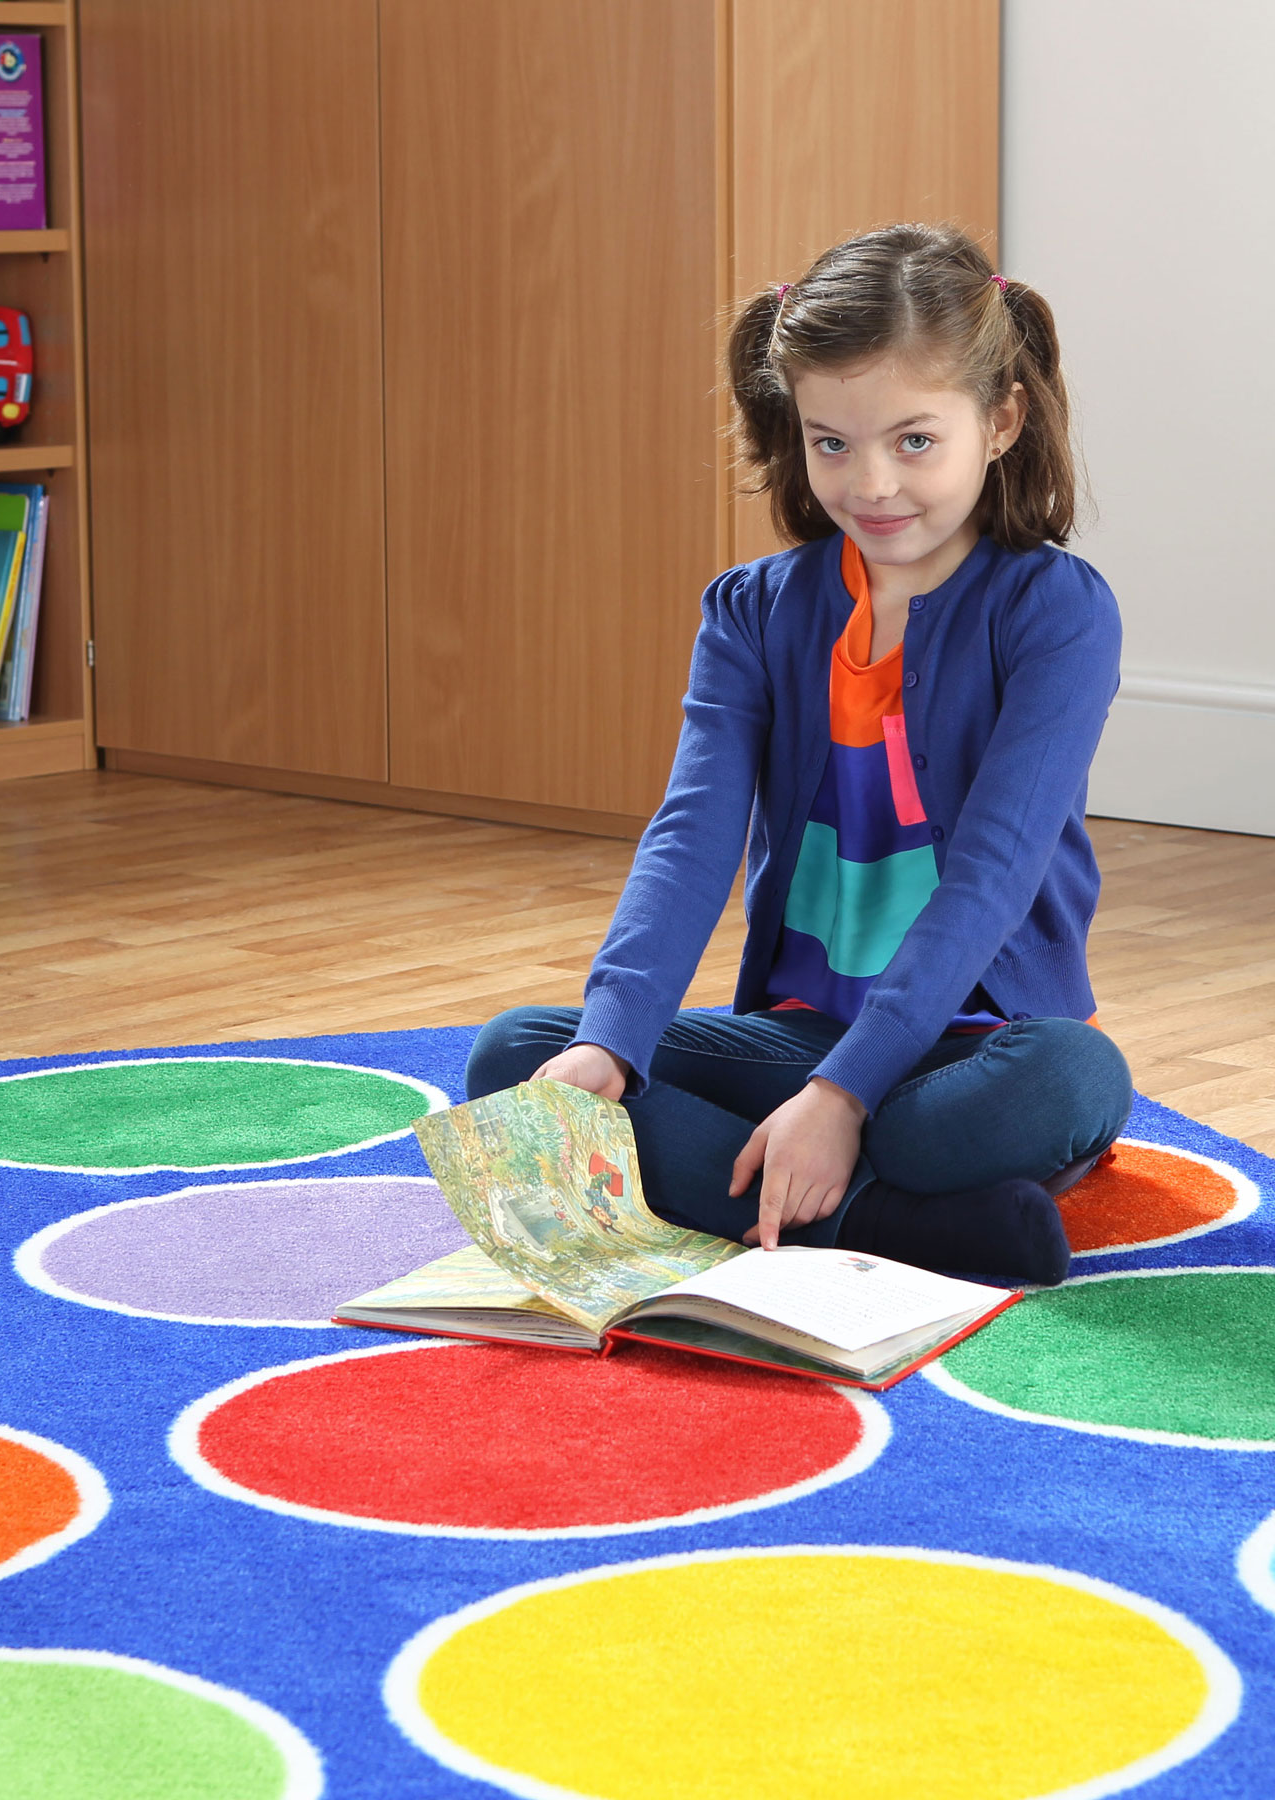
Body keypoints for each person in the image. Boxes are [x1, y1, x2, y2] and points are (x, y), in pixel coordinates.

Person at [465, 223, 1132, 1287]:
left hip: (981, 1045)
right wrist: (612, 1041)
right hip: (799, 1036)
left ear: (1000, 421)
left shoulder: (1055, 612)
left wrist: (845, 1097)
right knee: (519, 1061)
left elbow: (994, 873)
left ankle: (837, 1171)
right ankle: (909, 1228)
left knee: (1065, 1078)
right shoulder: (752, 612)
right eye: (832, 442)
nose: (871, 484)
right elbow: (691, 837)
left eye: (914, 441)